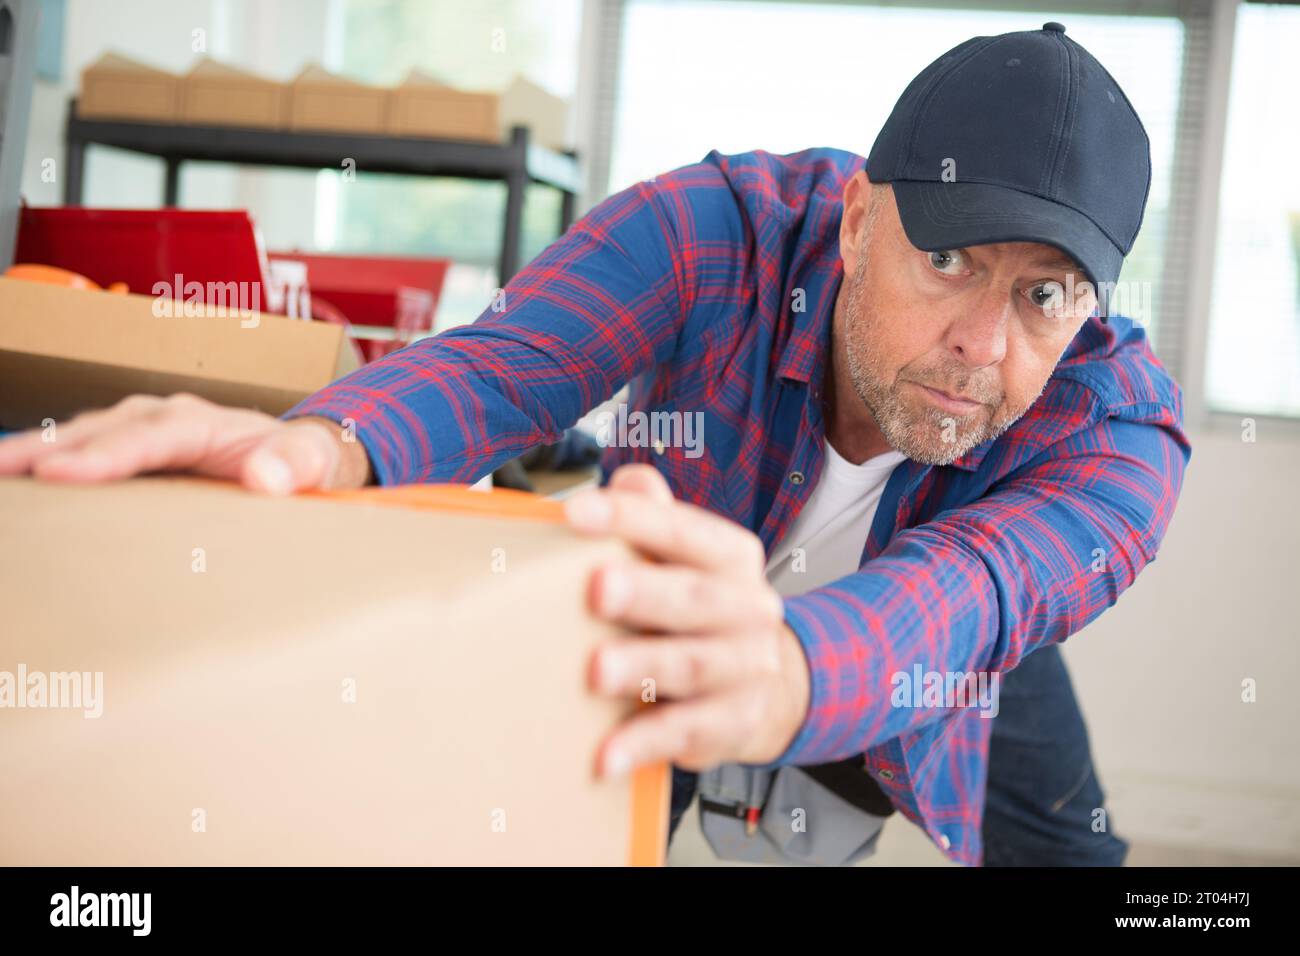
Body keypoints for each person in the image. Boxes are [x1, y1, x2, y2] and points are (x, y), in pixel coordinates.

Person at [0, 23, 1189, 865]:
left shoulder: (1119, 431)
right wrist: (318, 446)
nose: (983, 341)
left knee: (1072, 851)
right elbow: (508, 365)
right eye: (947, 259)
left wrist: (784, 671)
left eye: (1046, 294)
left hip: (941, 647)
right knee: (586, 808)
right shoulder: (716, 227)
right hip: (668, 602)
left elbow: (973, 588)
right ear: (861, 218)